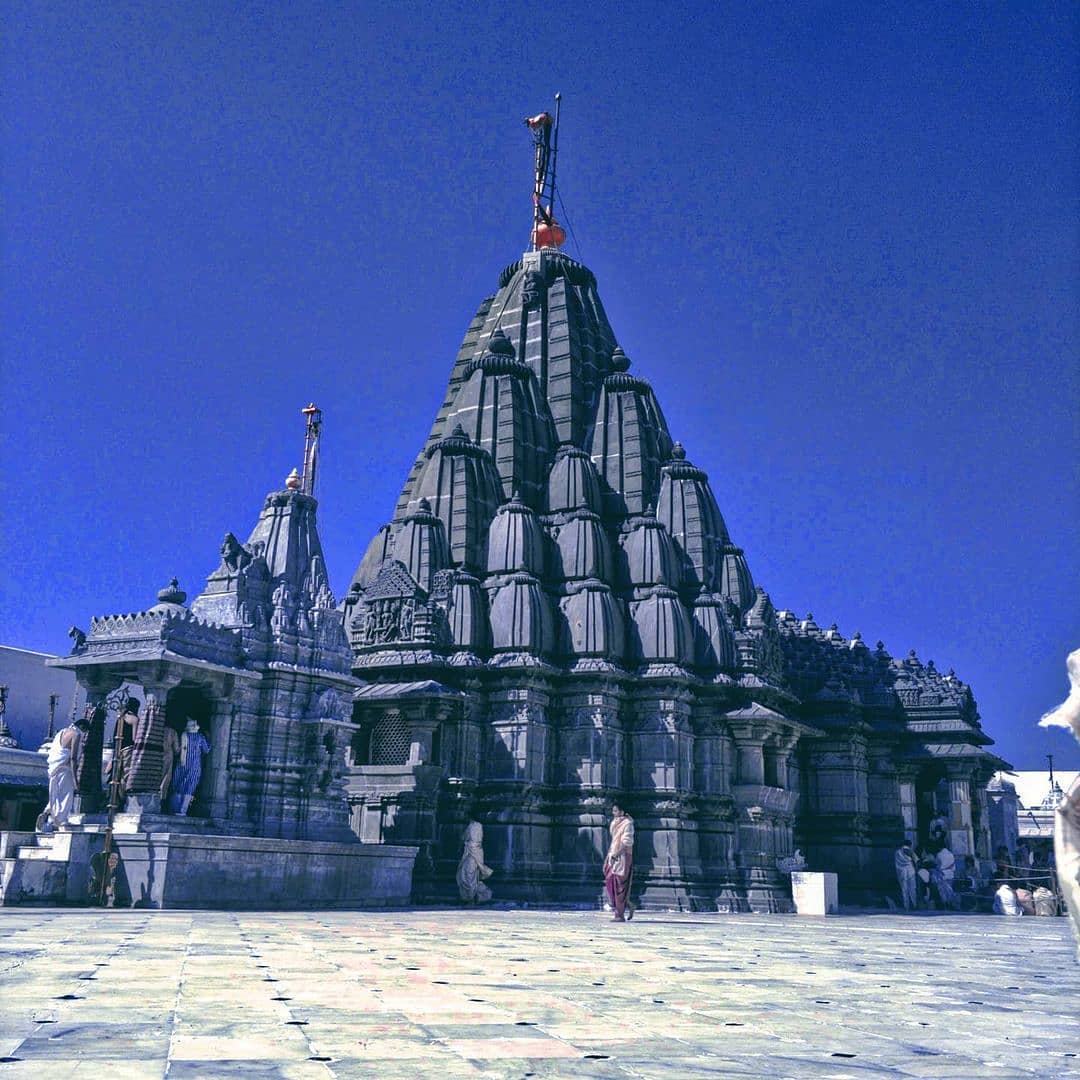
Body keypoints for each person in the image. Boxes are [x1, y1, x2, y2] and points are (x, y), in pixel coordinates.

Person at [40, 713, 91, 831]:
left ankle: (47, 813)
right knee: (65, 795)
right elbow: (73, 757)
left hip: (54, 768)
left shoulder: (62, 732)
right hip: (65, 768)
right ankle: (59, 822)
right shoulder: (76, 734)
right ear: (82, 727)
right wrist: (75, 778)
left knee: (55, 793)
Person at [167, 718, 210, 815]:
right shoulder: (200, 737)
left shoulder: (183, 735)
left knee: (179, 786)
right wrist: (209, 738)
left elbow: (178, 750)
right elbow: (206, 750)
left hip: (182, 765)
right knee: (190, 787)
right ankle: (182, 811)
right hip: (195, 766)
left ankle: (174, 809)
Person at [603, 803, 635, 922]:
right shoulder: (614, 823)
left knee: (619, 885)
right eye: (613, 811)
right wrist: (608, 857)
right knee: (610, 881)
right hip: (613, 854)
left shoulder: (628, 824)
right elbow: (614, 841)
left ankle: (619, 915)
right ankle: (628, 904)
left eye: (616, 811)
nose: (613, 813)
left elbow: (627, 842)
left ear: (622, 812)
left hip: (623, 856)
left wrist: (617, 854)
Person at [455, 820, 493, 903]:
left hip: (474, 852)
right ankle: (468, 896)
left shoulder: (477, 825)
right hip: (469, 852)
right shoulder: (472, 825)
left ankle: (471, 897)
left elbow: (475, 841)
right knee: (464, 874)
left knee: (470, 875)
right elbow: (464, 837)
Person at [894, 840, 918, 911]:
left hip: (901, 873)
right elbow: (916, 861)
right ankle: (914, 904)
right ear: (910, 845)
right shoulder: (910, 851)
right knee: (912, 888)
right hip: (911, 872)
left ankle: (906, 906)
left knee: (904, 889)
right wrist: (917, 869)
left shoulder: (897, 852)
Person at [160, 723, 180, 804]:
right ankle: (161, 800)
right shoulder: (173, 732)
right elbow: (176, 749)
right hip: (168, 755)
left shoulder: (157, 729)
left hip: (156, 754)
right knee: (166, 777)